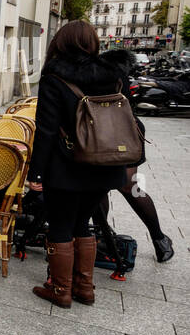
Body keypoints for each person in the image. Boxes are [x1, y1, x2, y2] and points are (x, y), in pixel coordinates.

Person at [27, 20, 127, 308]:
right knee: (84, 222)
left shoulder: (54, 76)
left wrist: (36, 173)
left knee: (61, 224)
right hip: (106, 164)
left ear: (60, 43)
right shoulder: (114, 74)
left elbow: (46, 130)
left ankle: (60, 290)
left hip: (67, 165)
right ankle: (85, 288)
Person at [98, 48, 174, 263]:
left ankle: (159, 237)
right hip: (112, 132)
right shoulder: (115, 73)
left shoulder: (105, 73)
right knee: (103, 187)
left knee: (127, 186)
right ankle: (104, 235)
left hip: (121, 134)